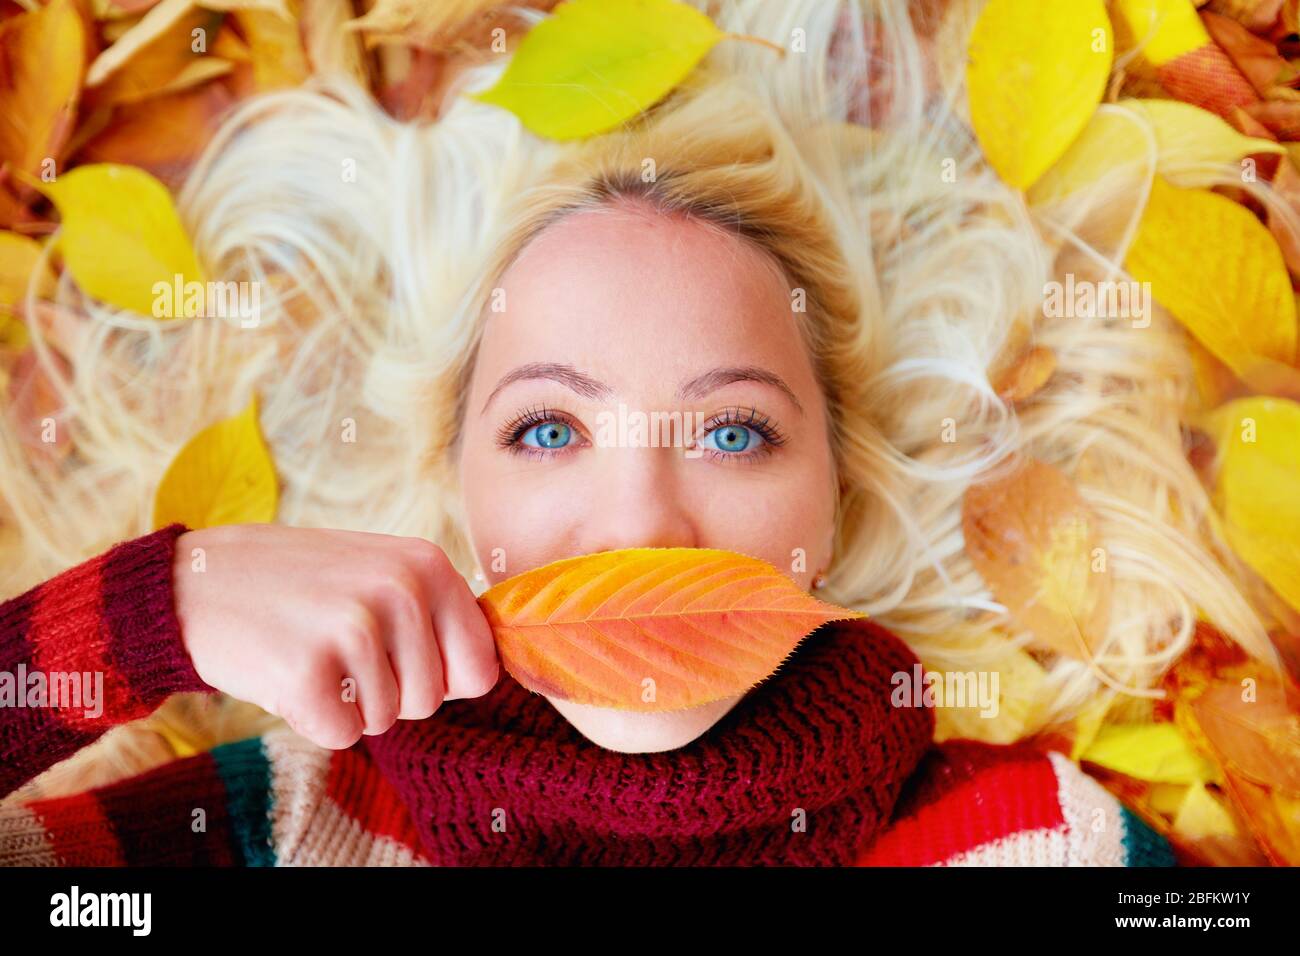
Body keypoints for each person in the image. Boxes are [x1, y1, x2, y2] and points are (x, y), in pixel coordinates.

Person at [0, 0, 1259, 865]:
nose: (642, 524)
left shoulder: (1036, 841)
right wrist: (157, 607)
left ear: (838, 493)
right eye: (547, 430)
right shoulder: (295, 816)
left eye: (732, 434)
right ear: (456, 497)